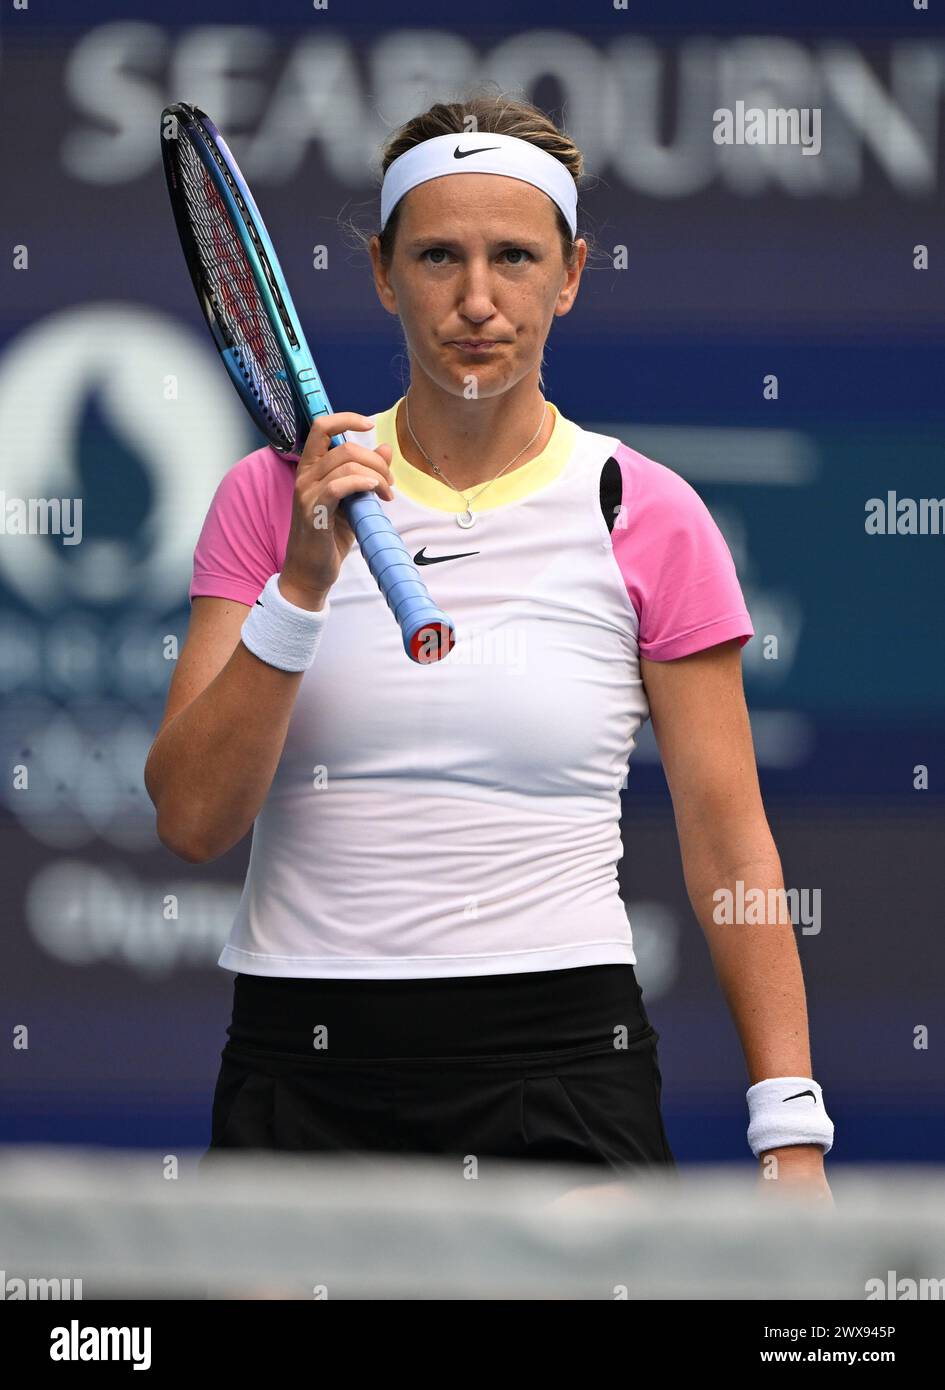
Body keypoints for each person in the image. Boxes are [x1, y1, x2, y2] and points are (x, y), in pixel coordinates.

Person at [144, 89, 833, 1199]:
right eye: (436, 257)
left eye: (514, 257)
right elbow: (190, 820)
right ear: (381, 271)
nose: (477, 300)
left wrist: (789, 1126)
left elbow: (731, 844)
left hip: (562, 1062)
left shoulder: (645, 510)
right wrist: (303, 583)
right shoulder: (269, 498)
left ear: (569, 273)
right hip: (301, 1063)